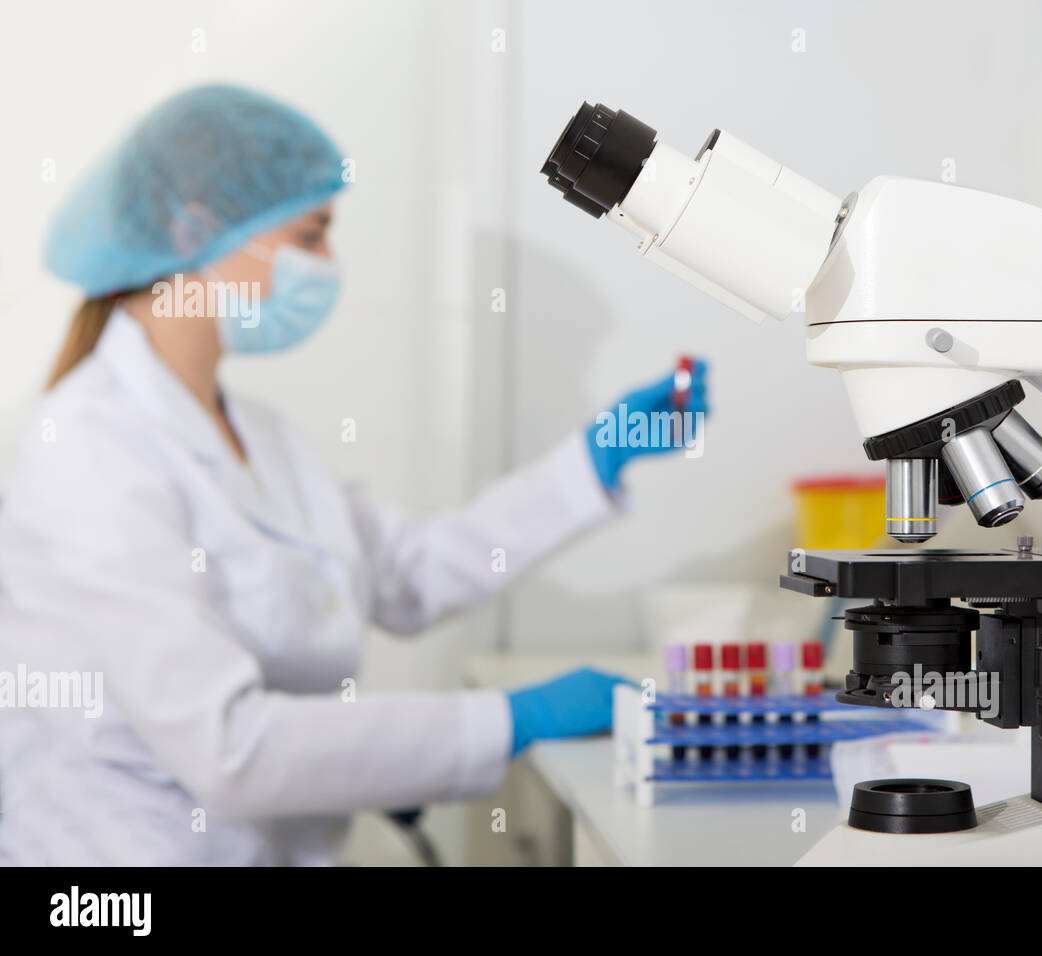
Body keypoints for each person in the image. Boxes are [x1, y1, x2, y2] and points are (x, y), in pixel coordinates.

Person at [0, 85, 709, 865]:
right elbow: (232, 749)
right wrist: (507, 720)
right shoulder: (88, 448)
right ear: (194, 230)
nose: (329, 266)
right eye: (311, 235)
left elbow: (403, 572)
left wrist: (597, 456)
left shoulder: (259, 438)